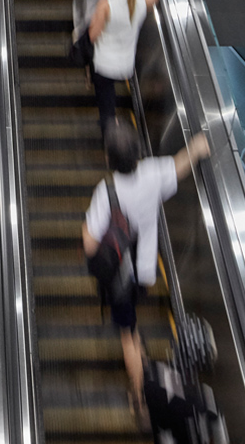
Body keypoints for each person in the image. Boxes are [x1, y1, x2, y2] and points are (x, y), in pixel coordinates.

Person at [82, 121, 211, 413]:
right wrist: (197, 148)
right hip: (144, 273)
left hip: (119, 277)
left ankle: (140, 396)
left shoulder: (106, 193)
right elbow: (180, 165)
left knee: (128, 334)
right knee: (132, 321)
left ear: (108, 158)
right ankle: (139, 355)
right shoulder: (153, 173)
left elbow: (89, 244)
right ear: (138, 152)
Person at [88, 0, 162, 132]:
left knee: (106, 103)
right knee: (110, 92)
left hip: (104, 65)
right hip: (126, 66)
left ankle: (109, 135)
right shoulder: (140, 0)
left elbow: (92, 36)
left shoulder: (106, 2)